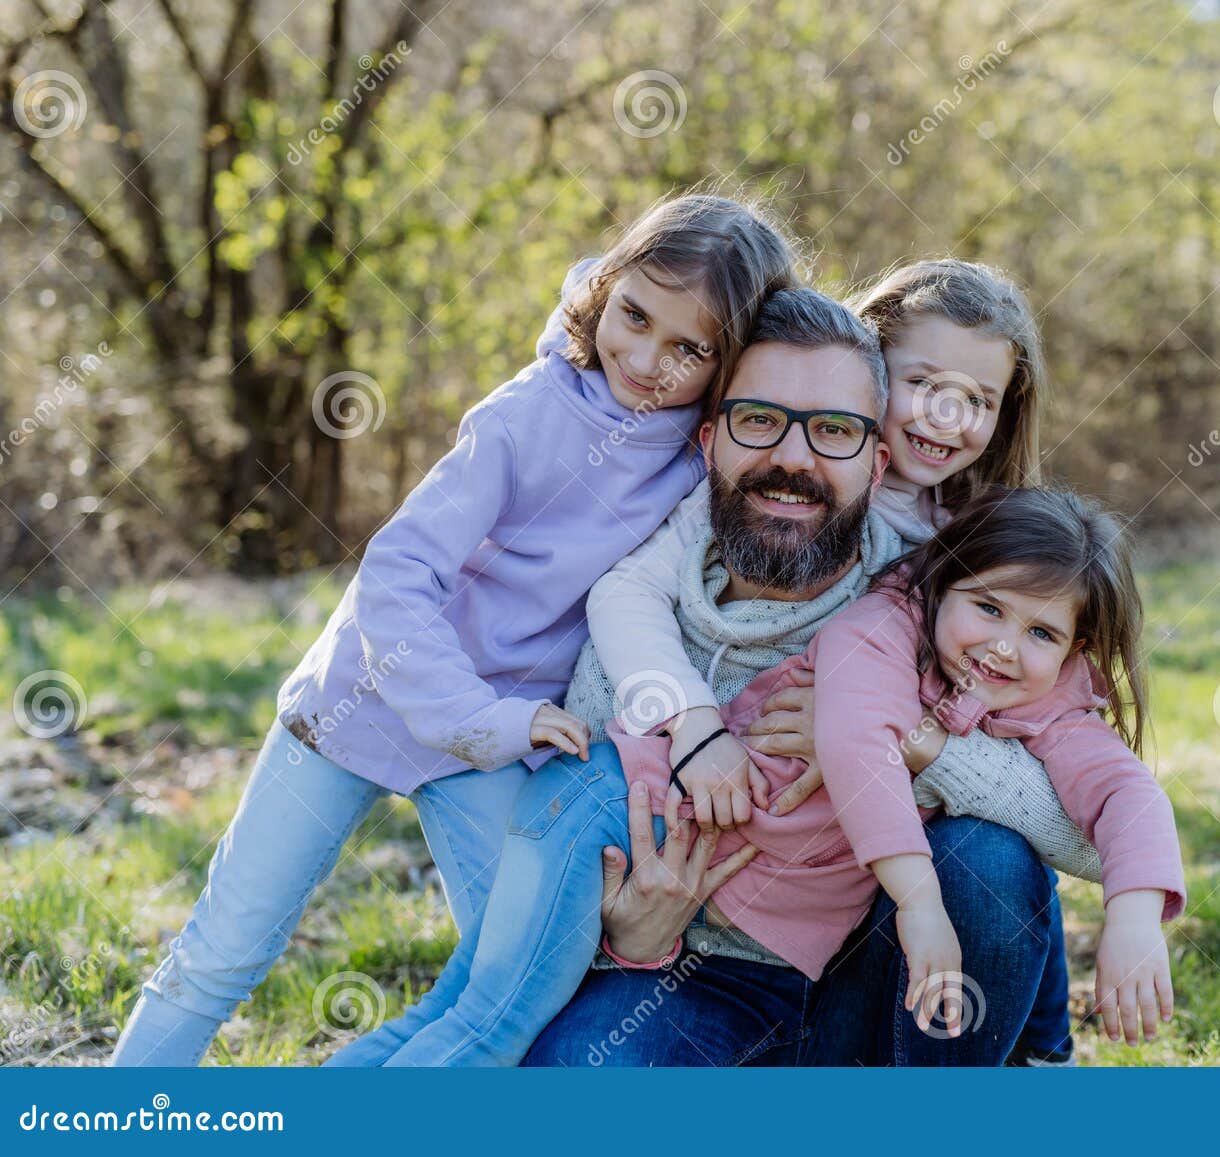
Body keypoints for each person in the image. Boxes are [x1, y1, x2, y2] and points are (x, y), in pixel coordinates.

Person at [110, 192, 797, 1066]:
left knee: (521, 974)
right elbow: (394, 577)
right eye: (634, 315)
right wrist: (474, 716)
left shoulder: (701, 456)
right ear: (610, 286)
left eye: (689, 348)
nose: (646, 358)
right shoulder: (525, 415)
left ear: (729, 360)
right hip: (366, 697)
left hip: (505, 740)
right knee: (224, 950)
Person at [326, 285, 1059, 1067]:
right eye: (761, 420)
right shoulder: (644, 600)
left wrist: (888, 740)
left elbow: (1083, 804)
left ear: (872, 451)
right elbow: (593, 849)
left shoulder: (958, 589)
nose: (794, 457)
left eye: (834, 428)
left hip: (882, 967)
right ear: (709, 438)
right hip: (693, 978)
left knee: (990, 860)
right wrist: (635, 932)